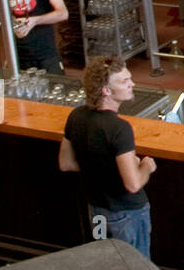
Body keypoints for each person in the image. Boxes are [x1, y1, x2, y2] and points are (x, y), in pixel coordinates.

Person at [58, 57, 156, 259]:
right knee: (135, 268)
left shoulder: (76, 116)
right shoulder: (119, 129)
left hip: (97, 212)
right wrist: (146, 166)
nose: (132, 84)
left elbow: (66, 163)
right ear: (106, 91)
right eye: (124, 81)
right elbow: (133, 184)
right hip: (128, 215)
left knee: (104, 263)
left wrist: (98, 166)